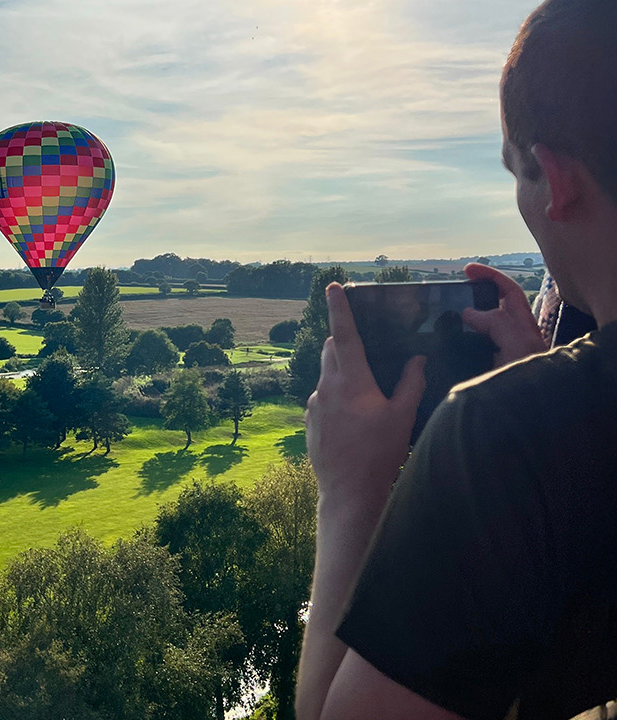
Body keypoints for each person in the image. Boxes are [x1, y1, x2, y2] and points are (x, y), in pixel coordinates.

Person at [296, 0, 617, 718]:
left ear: (554, 179)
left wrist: (351, 491)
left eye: (516, 173)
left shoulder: (499, 438)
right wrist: (547, 378)